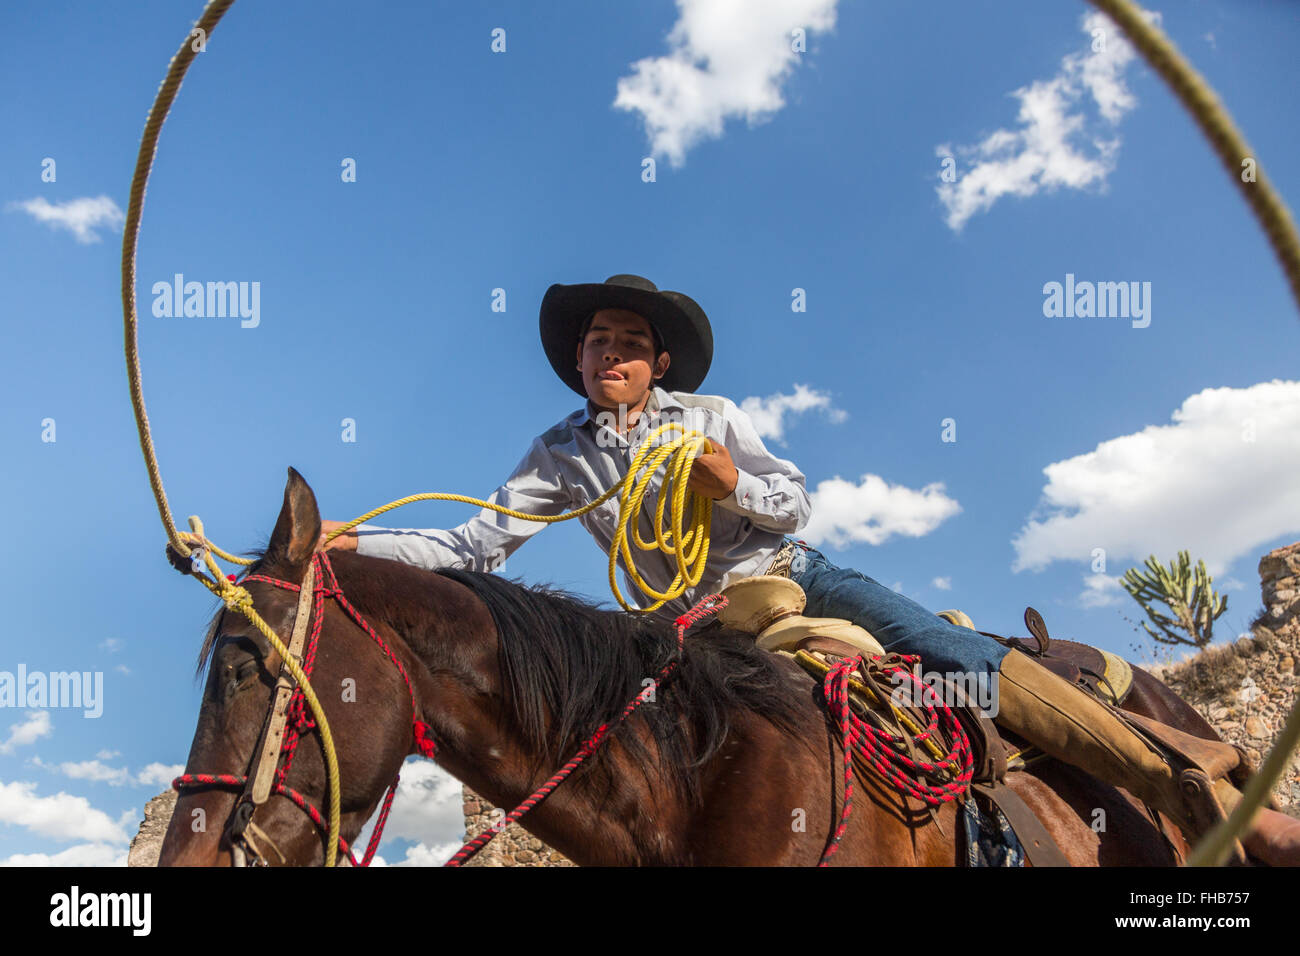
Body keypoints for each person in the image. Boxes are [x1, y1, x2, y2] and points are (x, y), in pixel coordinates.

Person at [319, 274, 1258, 852]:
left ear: (658, 366)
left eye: (632, 344)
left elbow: (794, 501)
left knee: (951, 661)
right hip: (680, 624)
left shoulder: (712, 418)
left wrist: (730, 483)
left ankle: (1206, 796)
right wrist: (357, 541)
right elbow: (473, 544)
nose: (613, 352)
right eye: (599, 340)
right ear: (578, 359)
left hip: (788, 575)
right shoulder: (559, 453)